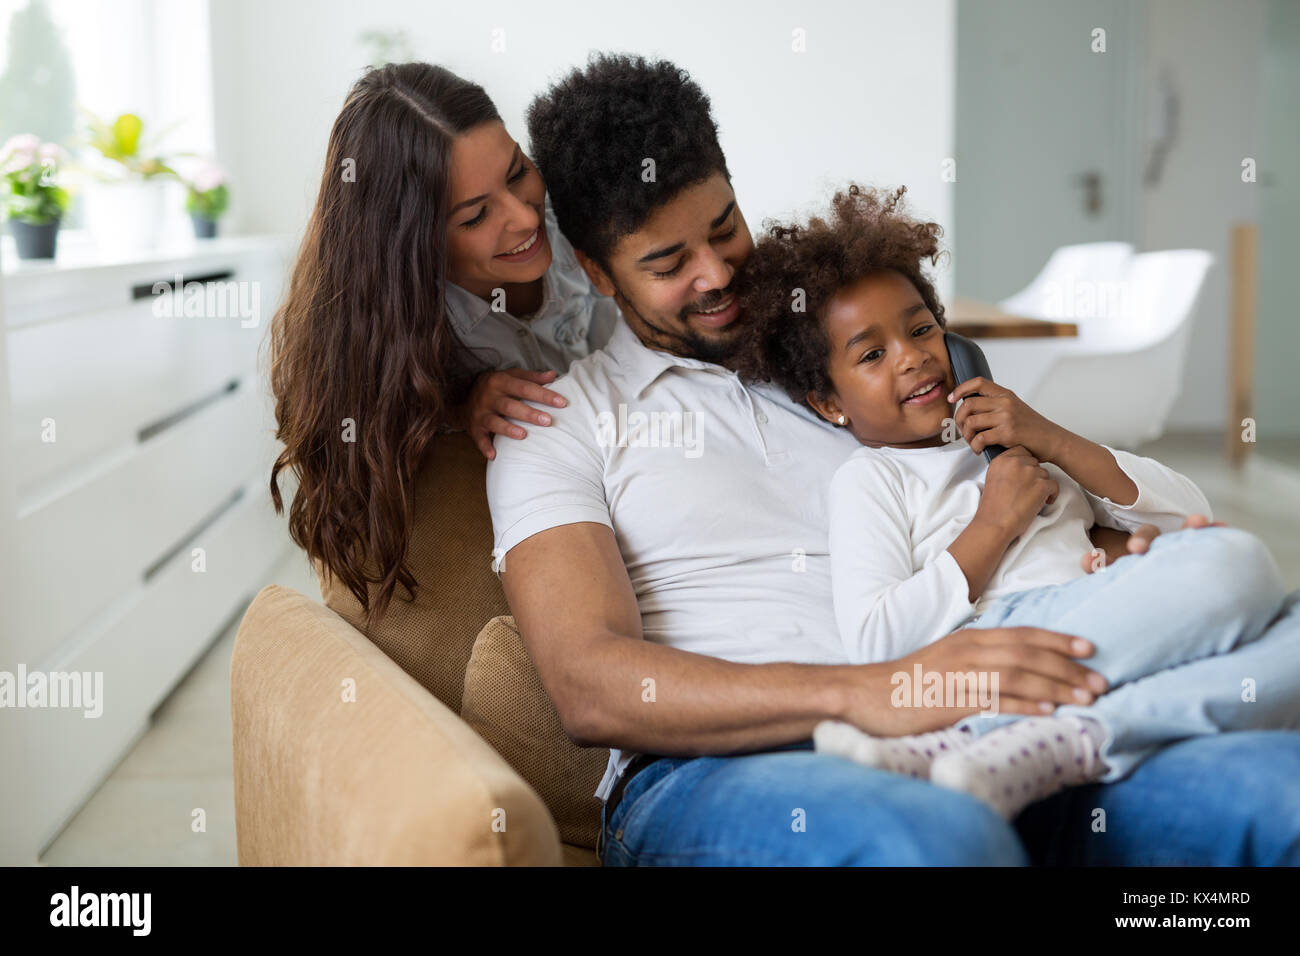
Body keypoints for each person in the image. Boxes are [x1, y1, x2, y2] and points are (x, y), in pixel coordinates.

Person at [485, 52, 1300, 866]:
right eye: (668, 265)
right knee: (935, 841)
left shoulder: (841, 356)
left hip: (1002, 723)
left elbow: (1019, 496)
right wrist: (873, 694)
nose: (717, 272)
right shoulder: (559, 423)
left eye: (725, 228)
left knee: (1277, 789)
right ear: (596, 270)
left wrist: (1119, 558)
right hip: (734, 770)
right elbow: (588, 685)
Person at [732, 183, 1294, 819]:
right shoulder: (874, 480)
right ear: (830, 404)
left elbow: (1183, 515)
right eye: (871, 354)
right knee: (1239, 563)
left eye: (922, 329)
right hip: (999, 649)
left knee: (1266, 595)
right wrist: (994, 523)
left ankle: (1060, 741)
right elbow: (877, 642)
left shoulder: (1019, 436)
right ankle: (1008, 729)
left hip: (1096, 622)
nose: (914, 356)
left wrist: (1050, 437)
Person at [268, 62, 618, 629]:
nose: (525, 216)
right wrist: (458, 404)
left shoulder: (584, 212)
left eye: (519, 173)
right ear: (415, 243)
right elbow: (364, 440)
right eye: (477, 215)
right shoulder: (405, 324)